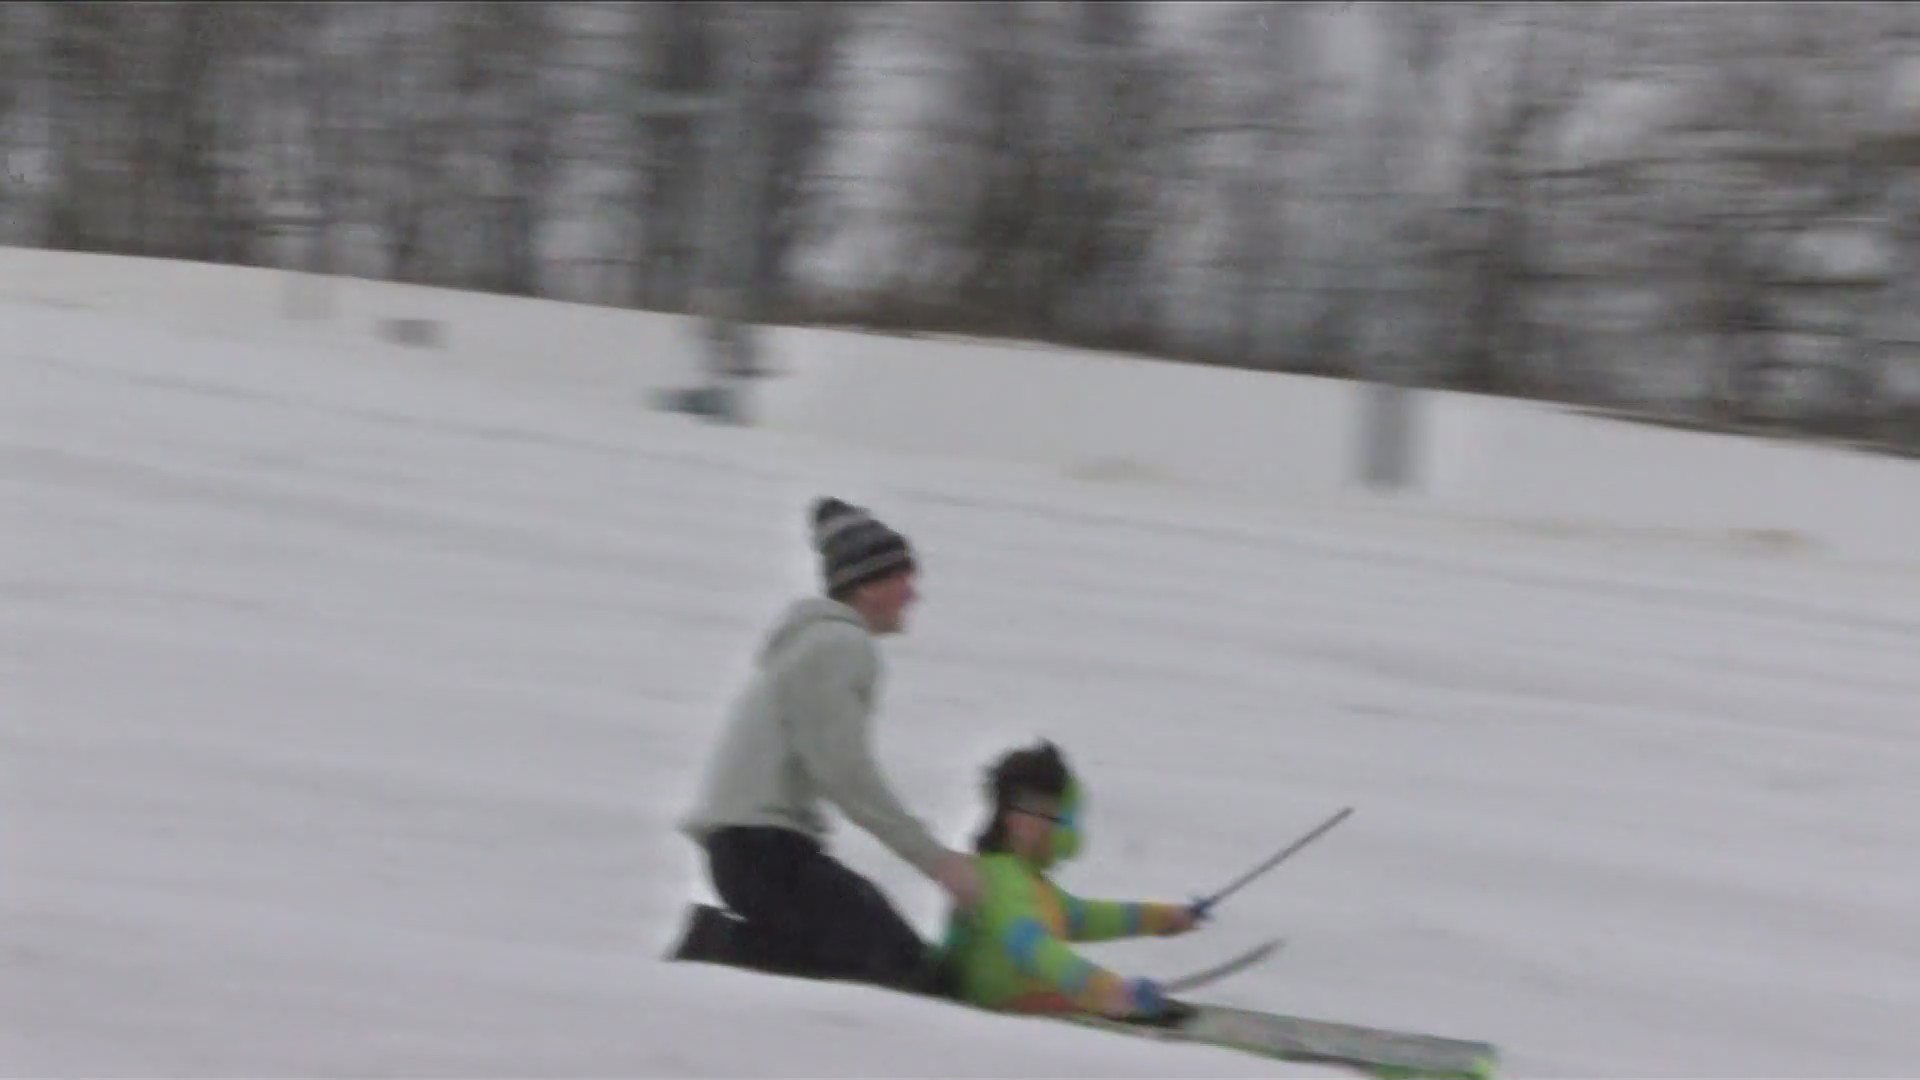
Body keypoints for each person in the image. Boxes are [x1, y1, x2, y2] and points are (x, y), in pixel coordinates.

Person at [668, 496, 982, 995]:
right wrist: (937, 861)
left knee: (855, 960)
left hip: (748, 850)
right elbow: (845, 773)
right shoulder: (841, 646)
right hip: (764, 851)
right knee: (901, 968)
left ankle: (717, 946)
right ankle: (714, 947)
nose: (914, 594)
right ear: (868, 585)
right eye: (904, 578)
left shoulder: (814, 644)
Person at [937, 740, 1205, 1019]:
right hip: (1006, 1021)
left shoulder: (1026, 880)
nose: (1065, 830)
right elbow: (1031, 946)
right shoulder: (999, 879)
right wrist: (1105, 989)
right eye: (1057, 817)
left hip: (1034, 1006)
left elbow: (1081, 917)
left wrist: (1162, 918)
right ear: (1018, 819)